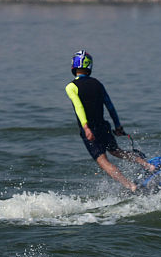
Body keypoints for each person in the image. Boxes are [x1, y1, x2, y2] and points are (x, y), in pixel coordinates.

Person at [65, 50, 155, 192]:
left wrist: (86, 127)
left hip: (90, 129)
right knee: (116, 151)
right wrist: (117, 125)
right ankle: (149, 166)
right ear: (90, 67)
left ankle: (131, 187)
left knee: (103, 161)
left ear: (73, 67)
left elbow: (79, 107)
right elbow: (110, 106)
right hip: (103, 126)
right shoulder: (98, 84)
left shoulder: (71, 87)